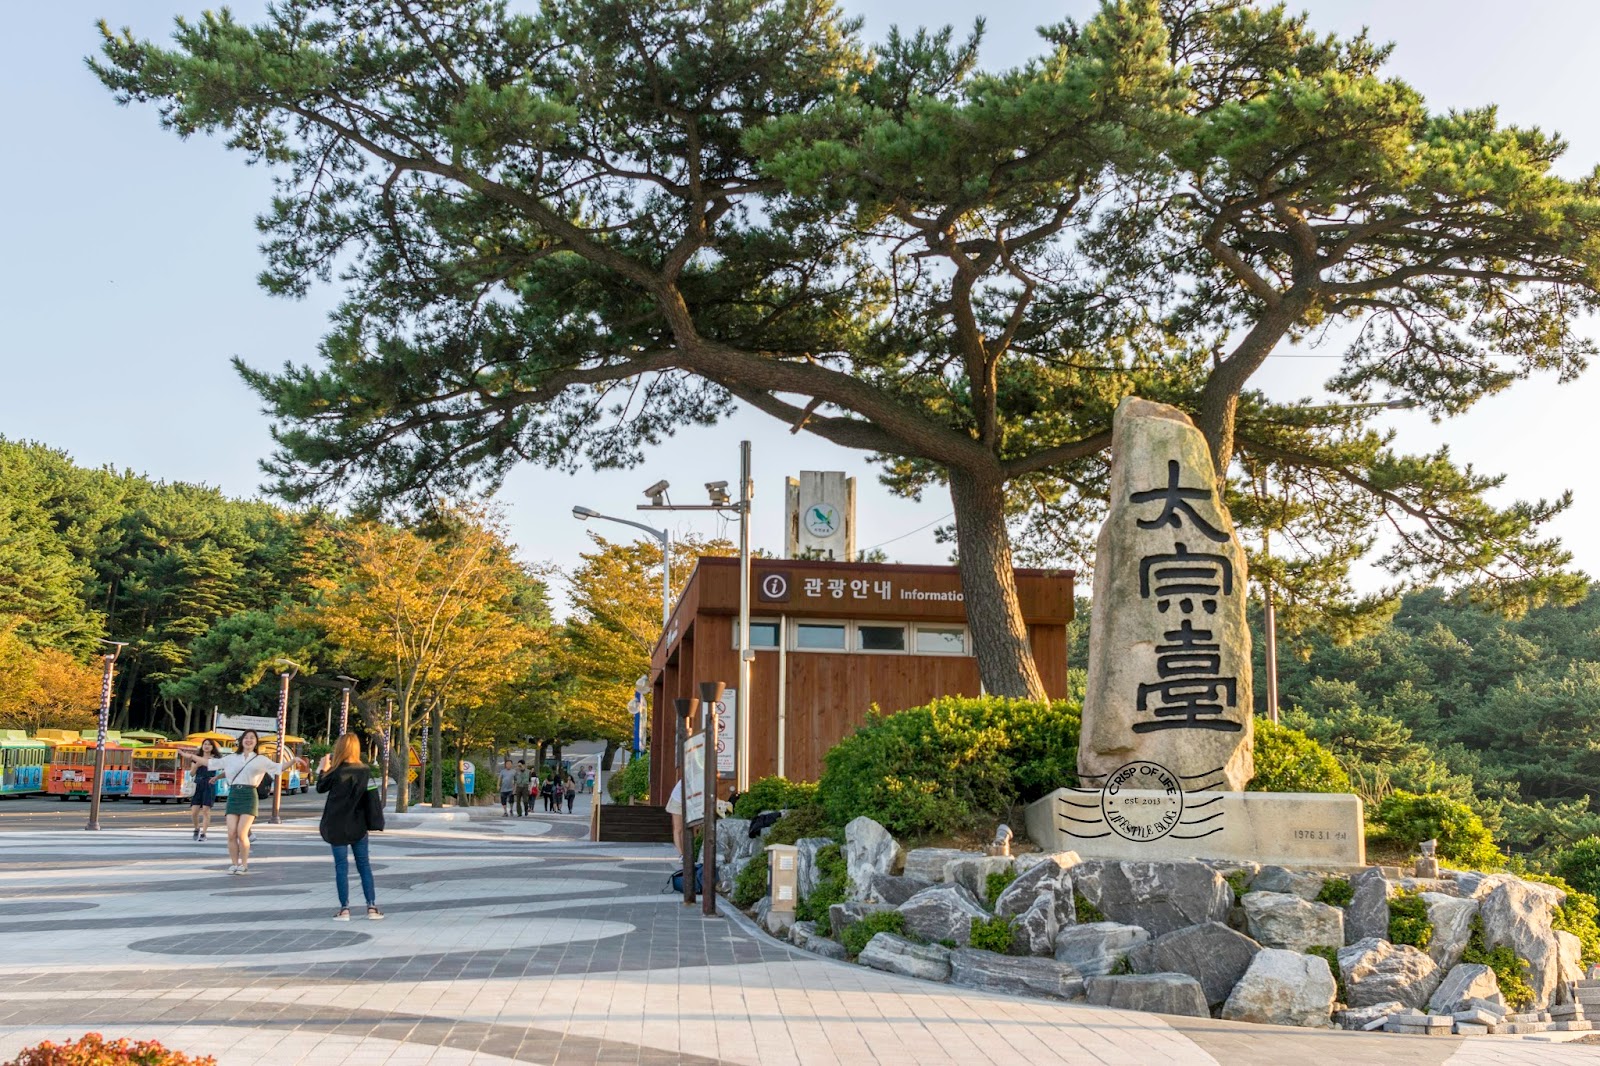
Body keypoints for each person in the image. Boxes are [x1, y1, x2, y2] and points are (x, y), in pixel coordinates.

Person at [176, 729, 303, 875]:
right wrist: (190, 756)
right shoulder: (232, 758)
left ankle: (244, 864)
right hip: (234, 794)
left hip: (249, 795)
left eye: (252, 738)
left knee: (242, 833)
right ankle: (234, 864)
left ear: (256, 742)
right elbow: (210, 762)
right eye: (246, 738)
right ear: (241, 741)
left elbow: (278, 768)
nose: (249, 740)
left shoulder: (260, 759)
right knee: (231, 833)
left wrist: (293, 760)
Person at [317, 733, 385, 921]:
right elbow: (371, 799)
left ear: (340, 749)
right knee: (364, 865)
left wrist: (323, 769)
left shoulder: (335, 771)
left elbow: (320, 787)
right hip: (358, 825)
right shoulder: (365, 771)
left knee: (341, 866)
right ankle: (371, 907)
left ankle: (344, 909)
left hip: (336, 825)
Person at [186, 738, 222, 842]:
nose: (206, 746)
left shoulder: (215, 759)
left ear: (212, 747)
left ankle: (204, 833)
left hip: (209, 784)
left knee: (206, 810)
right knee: (194, 811)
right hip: (198, 784)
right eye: (205, 744)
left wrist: (215, 777)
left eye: (209, 744)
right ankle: (196, 828)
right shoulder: (196, 758)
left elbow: (221, 769)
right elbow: (191, 774)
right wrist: (197, 765)